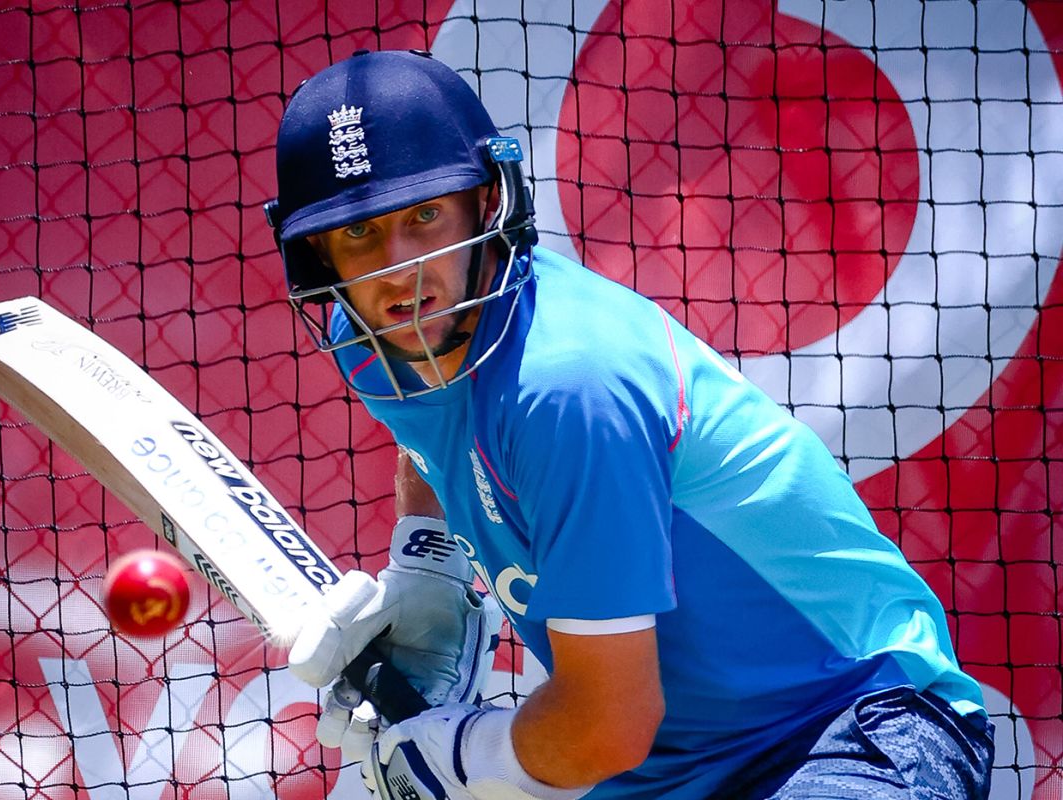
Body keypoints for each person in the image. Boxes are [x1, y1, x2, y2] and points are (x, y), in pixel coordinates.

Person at [263, 49, 996, 800]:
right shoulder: (382, 345)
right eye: (359, 235)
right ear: (316, 255)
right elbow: (435, 437)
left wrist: (463, 757)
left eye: (425, 217)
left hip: (847, 723)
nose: (401, 270)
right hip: (664, 768)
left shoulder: (568, 384)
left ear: (488, 202)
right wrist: (429, 571)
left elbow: (606, 725)